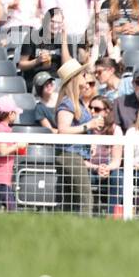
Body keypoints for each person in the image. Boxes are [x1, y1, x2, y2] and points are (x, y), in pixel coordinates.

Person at [54, 59, 107, 215]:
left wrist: (88, 139)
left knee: (70, 201)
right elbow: (62, 130)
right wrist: (88, 126)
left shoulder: (77, 103)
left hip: (73, 155)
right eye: (83, 75)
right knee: (86, 198)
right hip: (70, 156)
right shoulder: (68, 103)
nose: (87, 79)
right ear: (75, 79)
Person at [0, 96, 28, 211]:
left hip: (1, 177)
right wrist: (17, 145)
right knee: (6, 207)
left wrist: (16, 149)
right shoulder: (2, 129)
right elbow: (2, 151)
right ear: (11, 114)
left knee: (5, 206)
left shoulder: (1, 128)